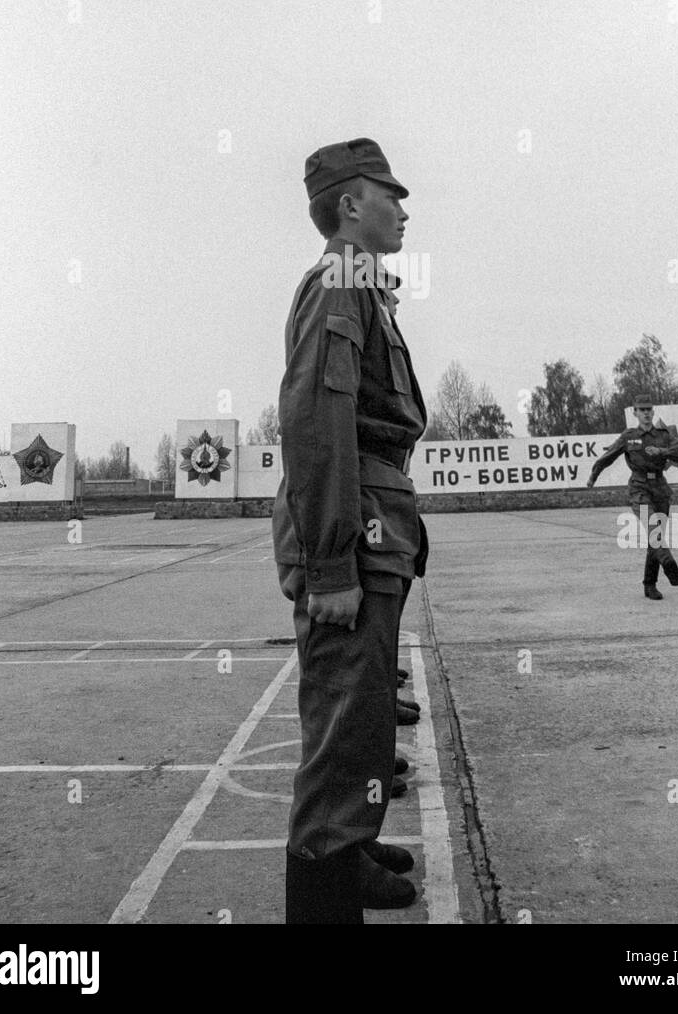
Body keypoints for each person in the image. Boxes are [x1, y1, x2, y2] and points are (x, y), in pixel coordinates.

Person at [272, 137, 429, 924]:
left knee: (366, 712)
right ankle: (325, 889)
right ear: (348, 205)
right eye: (389, 194)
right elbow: (314, 421)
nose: (404, 208)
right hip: (354, 526)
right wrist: (330, 562)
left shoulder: (364, 287)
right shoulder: (339, 282)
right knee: (344, 719)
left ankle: (352, 846)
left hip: (376, 517)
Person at [586, 395, 678, 600]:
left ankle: (649, 585)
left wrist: (662, 451)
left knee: (656, 535)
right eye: (641, 410)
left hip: (660, 488)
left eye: (648, 409)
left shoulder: (663, 435)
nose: (645, 413)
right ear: (635, 413)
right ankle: (668, 561)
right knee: (653, 527)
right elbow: (609, 456)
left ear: (653, 412)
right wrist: (594, 474)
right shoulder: (629, 436)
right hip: (639, 488)